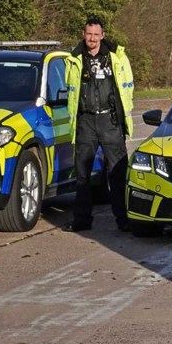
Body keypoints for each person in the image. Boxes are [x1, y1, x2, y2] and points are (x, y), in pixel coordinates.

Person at [62, 15, 135, 232]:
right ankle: (82, 220)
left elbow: (128, 86)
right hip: (85, 121)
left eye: (96, 35)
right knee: (82, 175)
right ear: (83, 35)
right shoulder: (74, 59)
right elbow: (70, 90)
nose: (92, 39)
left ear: (102, 36)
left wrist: (121, 117)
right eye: (89, 34)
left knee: (118, 173)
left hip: (110, 121)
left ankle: (123, 220)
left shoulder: (117, 58)